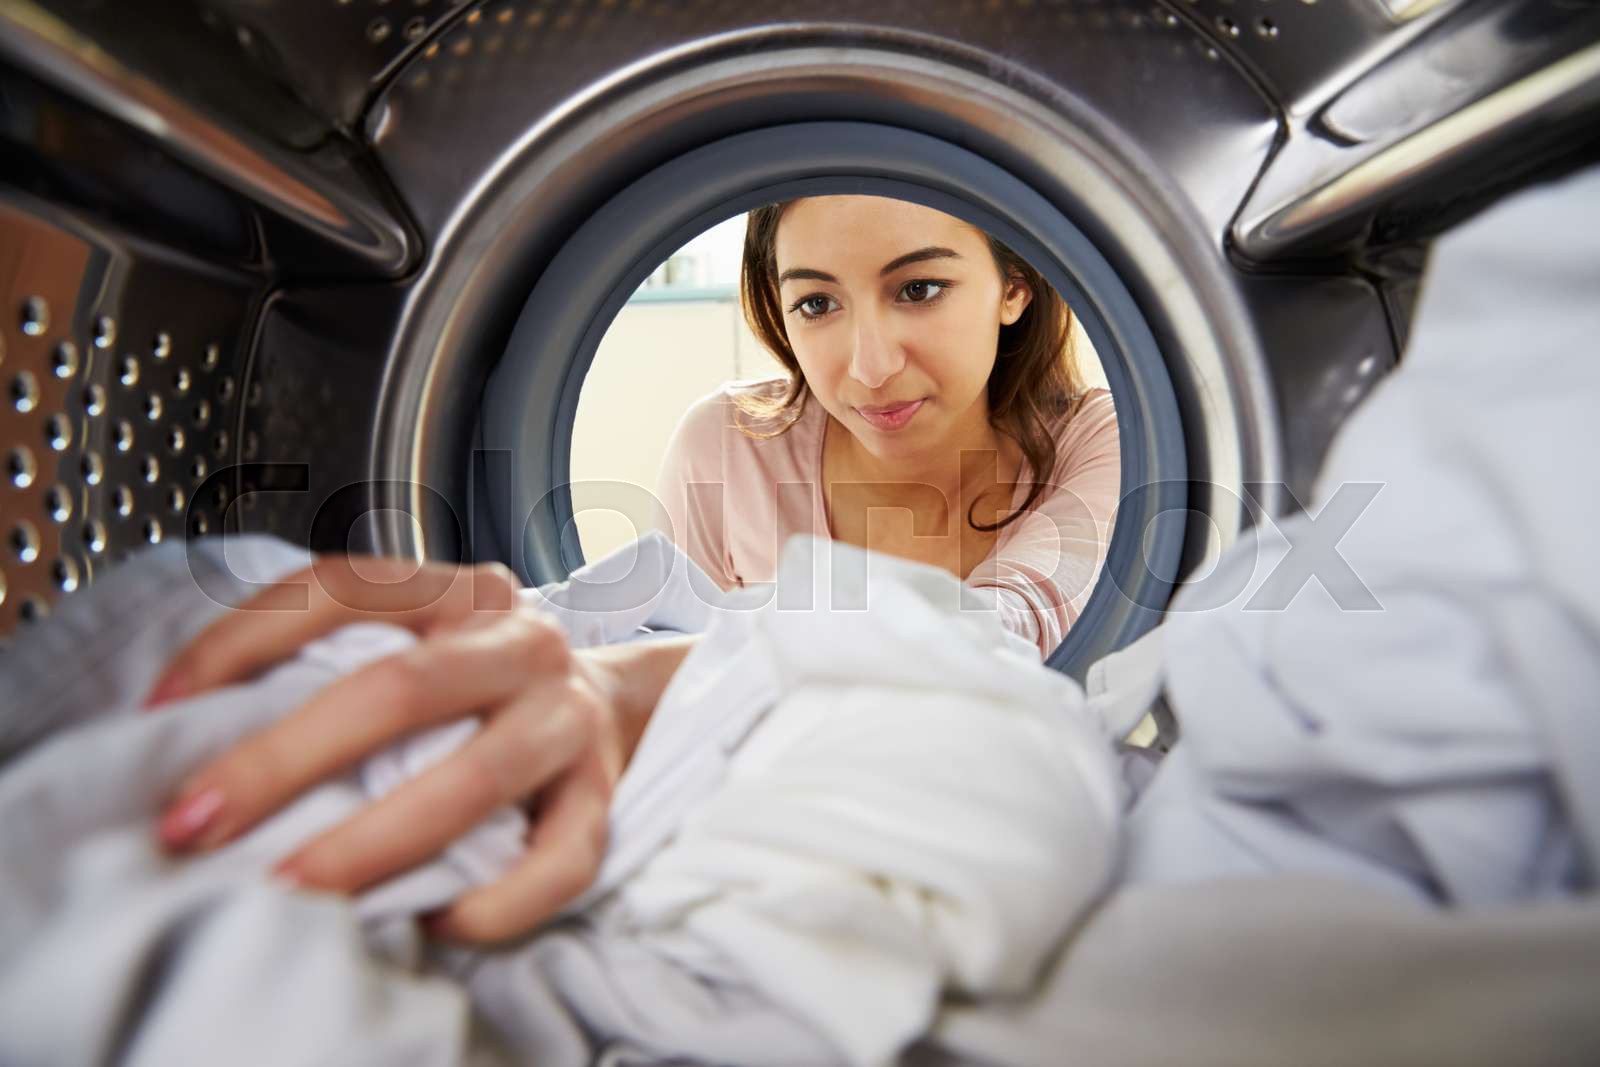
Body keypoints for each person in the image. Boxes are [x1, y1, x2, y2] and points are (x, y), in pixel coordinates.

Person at [655, 195, 1121, 657]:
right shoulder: (726, 448)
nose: (870, 369)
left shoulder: (1100, 441)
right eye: (817, 304)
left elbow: (1031, 618)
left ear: (1014, 286)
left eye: (919, 290)